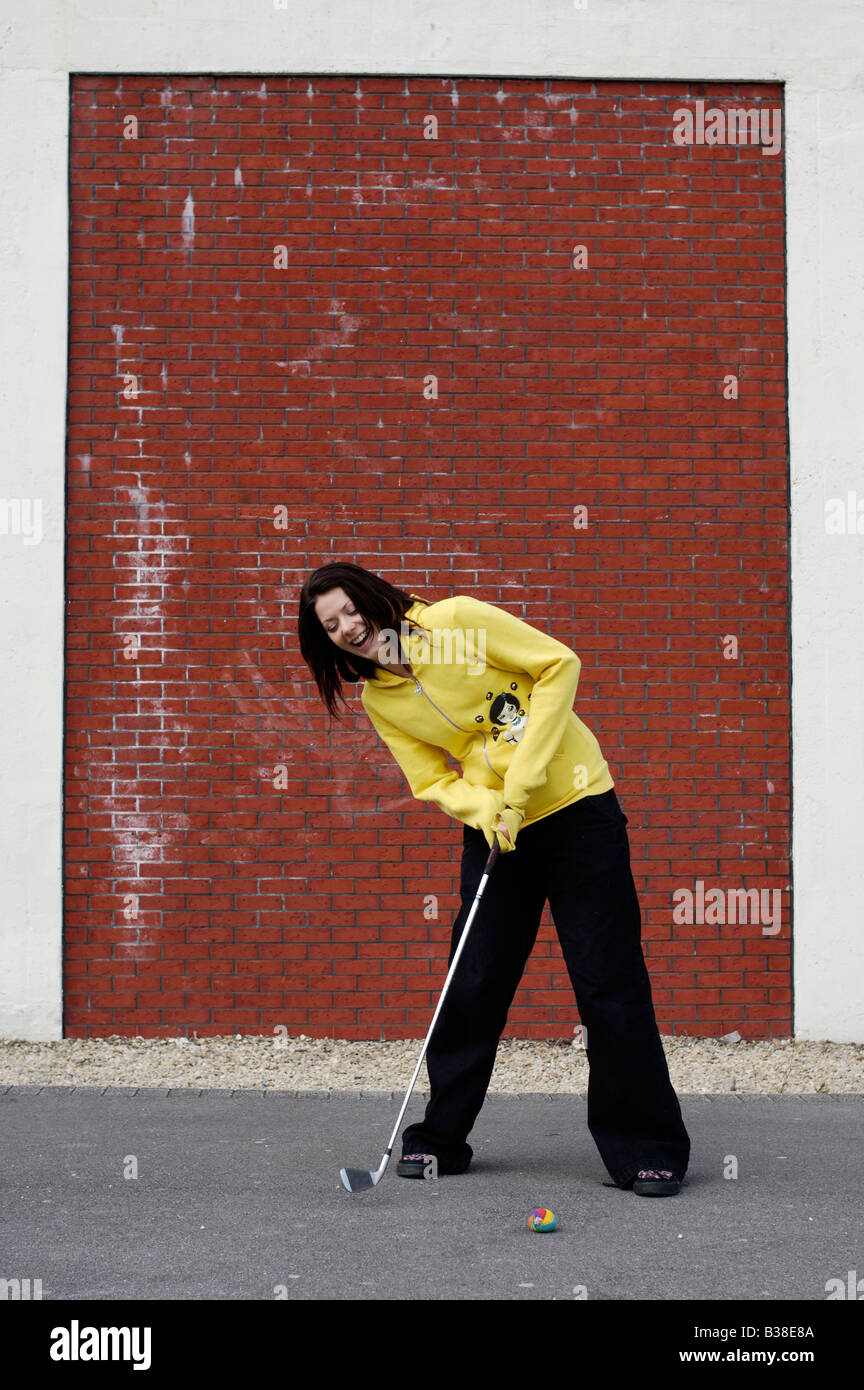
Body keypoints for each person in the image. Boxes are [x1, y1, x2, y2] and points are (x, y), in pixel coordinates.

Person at [297, 561, 691, 1197]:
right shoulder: (379, 697)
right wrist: (487, 810)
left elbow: (559, 665)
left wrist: (524, 780)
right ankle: (439, 1140)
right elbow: (430, 779)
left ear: (374, 599)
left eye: (349, 609)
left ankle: (647, 1148)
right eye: (330, 624)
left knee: (607, 982)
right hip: (498, 832)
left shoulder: (455, 621)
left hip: (577, 810)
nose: (347, 627)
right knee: (472, 979)